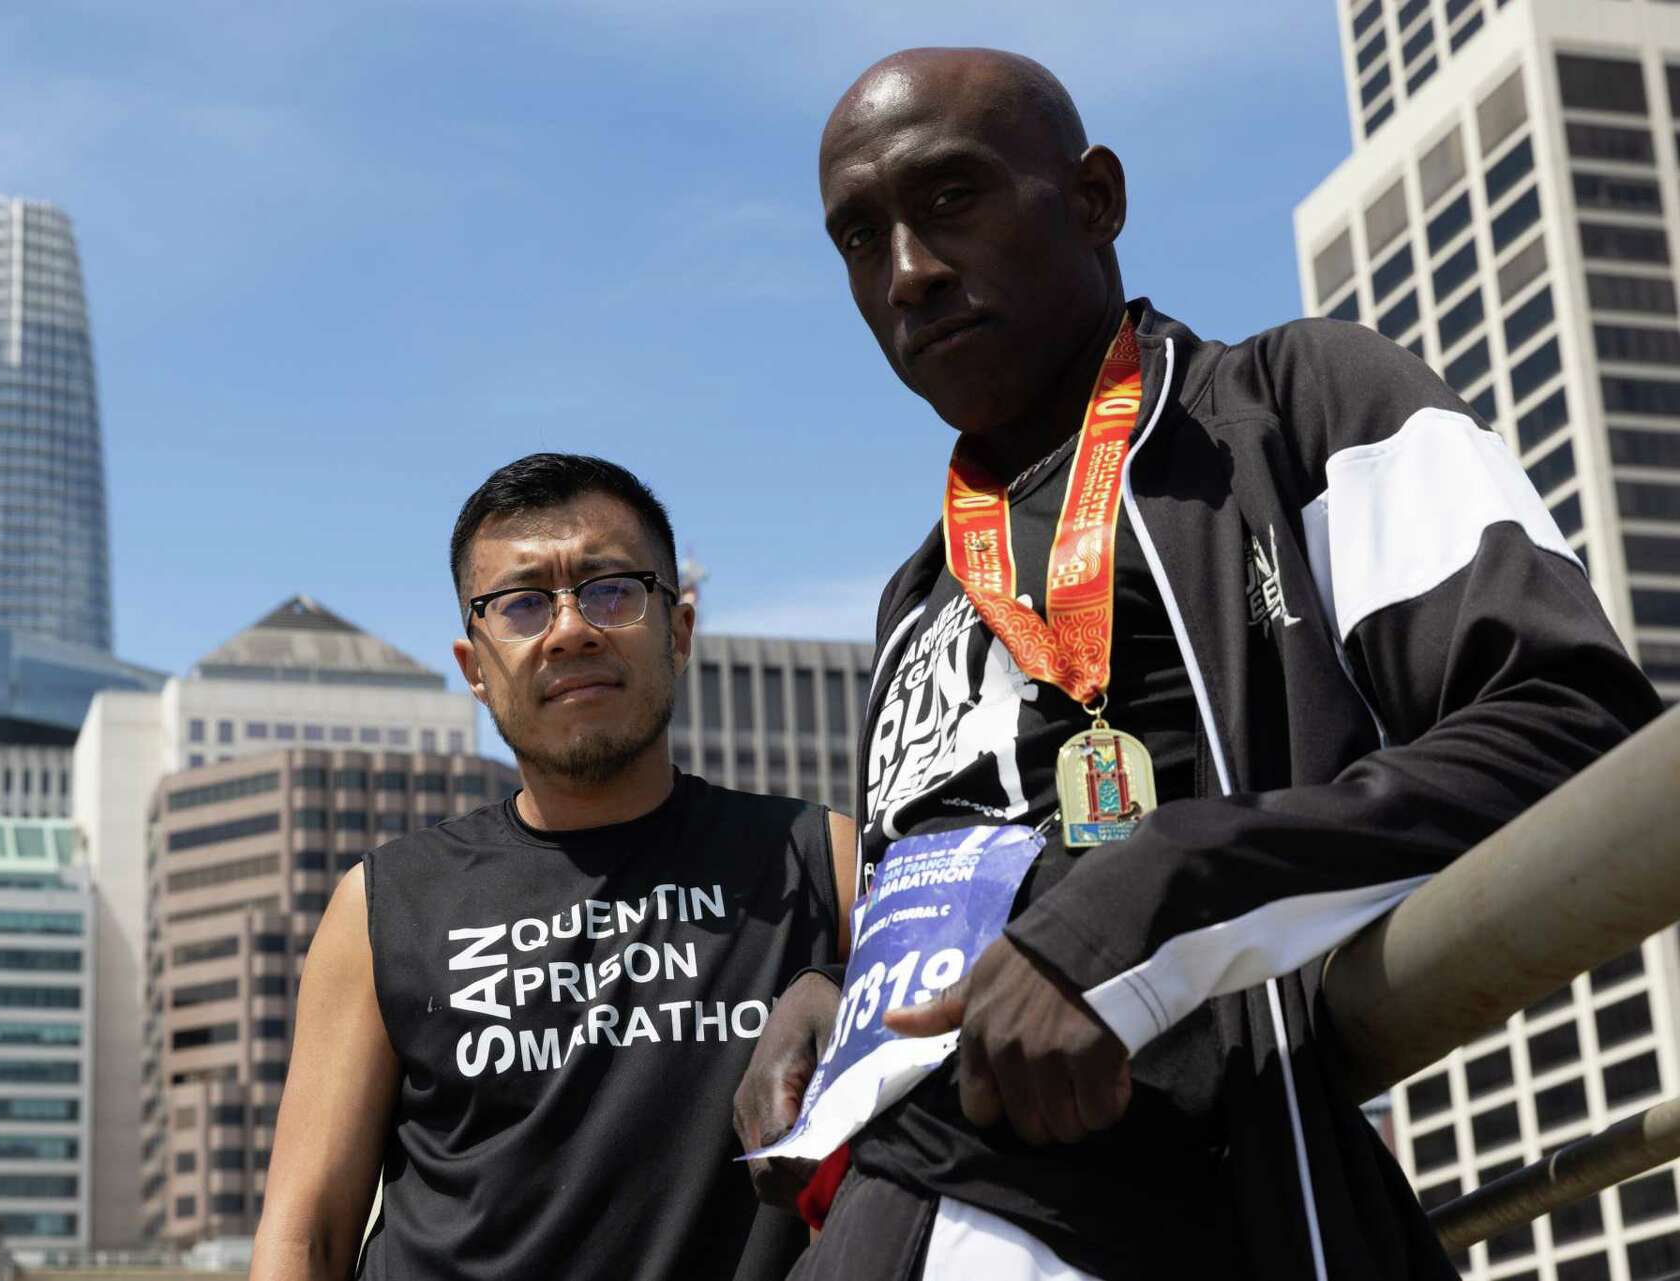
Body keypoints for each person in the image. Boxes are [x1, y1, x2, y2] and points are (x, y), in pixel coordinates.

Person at [733, 47, 1663, 1281]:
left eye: (952, 199)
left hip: (1130, 1204)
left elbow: (1573, 720)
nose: (908, 273)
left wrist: (1157, 894)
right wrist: (836, 992)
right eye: (860, 238)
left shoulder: (1295, 403)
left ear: (1097, 198)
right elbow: (966, 867)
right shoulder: (918, 596)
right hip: (886, 1199)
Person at [251, 453, 855, 1281]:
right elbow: (306, 1236)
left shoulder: (824, 860)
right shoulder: (381, 905)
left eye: (610, 588)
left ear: (677, 631)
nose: (571, 628)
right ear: (475, 668)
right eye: (524, 603)